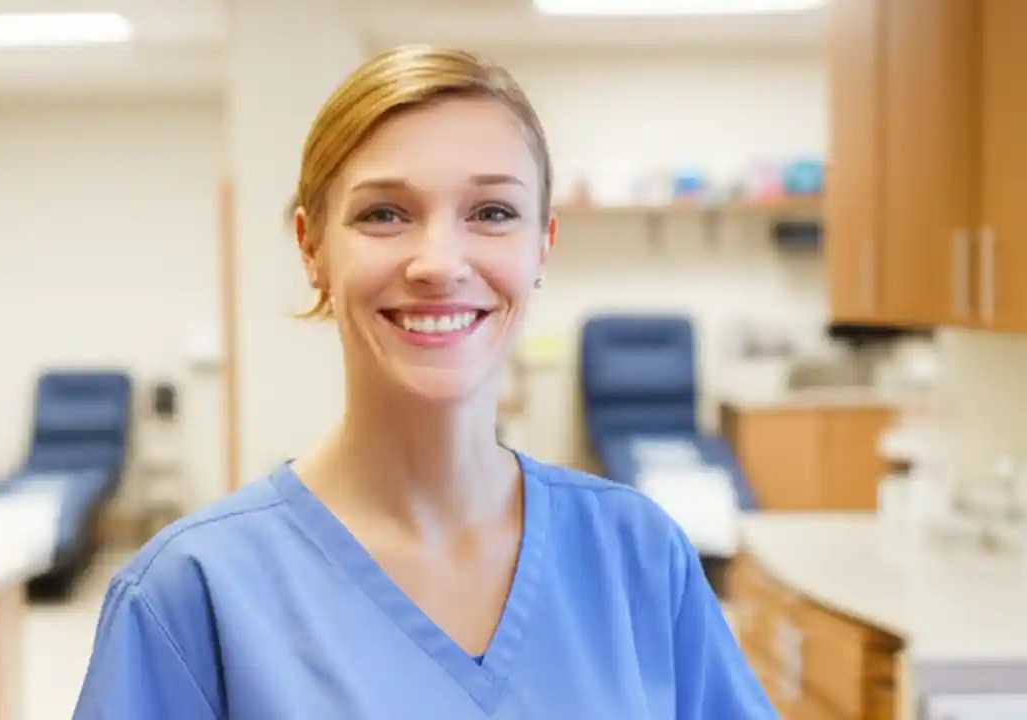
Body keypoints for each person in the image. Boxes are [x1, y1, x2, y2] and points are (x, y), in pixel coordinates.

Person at [73, 44, 775, 719]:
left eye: (492, 213)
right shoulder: (191, 594)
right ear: (312, 248)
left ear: (542, 246)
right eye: (384, 213)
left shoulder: (638, 558)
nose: (439, 262)